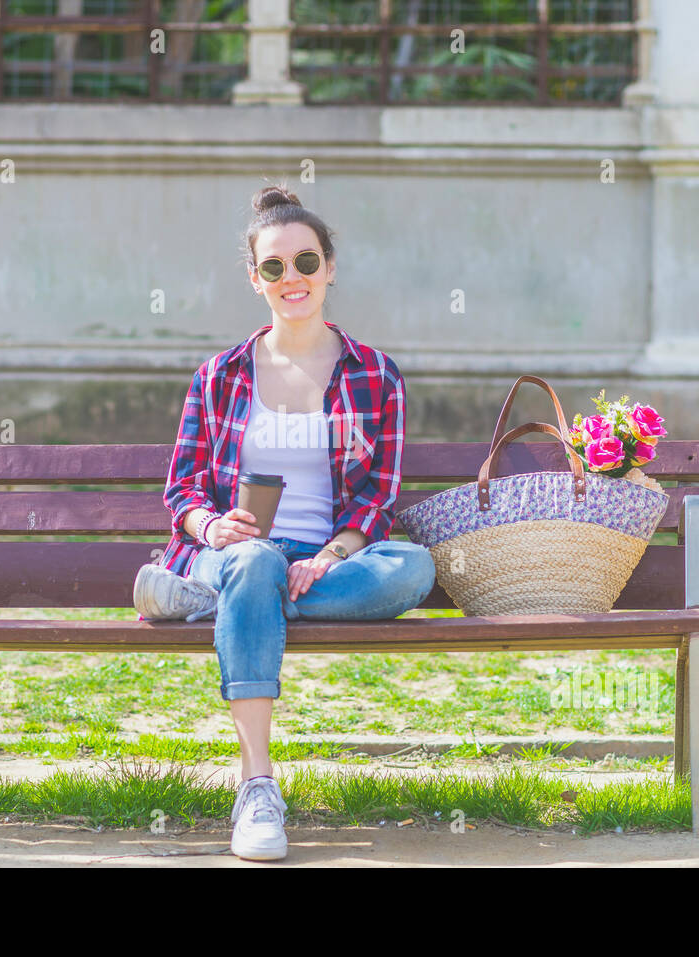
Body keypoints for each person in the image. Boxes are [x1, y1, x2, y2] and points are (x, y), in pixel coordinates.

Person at [132, 183, 436, 861]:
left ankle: (215, 604)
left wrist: (330, 556)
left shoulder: (375, 374)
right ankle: (257, 786)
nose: (291, 278)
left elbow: (375, 502)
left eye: (305, 262)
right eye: (274, 267)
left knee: (413, 567)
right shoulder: (220, 375)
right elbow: (181, 488)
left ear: (329, 267)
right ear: (255, 278)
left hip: (326, 559)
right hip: (238, 551)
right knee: (256, 564)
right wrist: (212, 529)